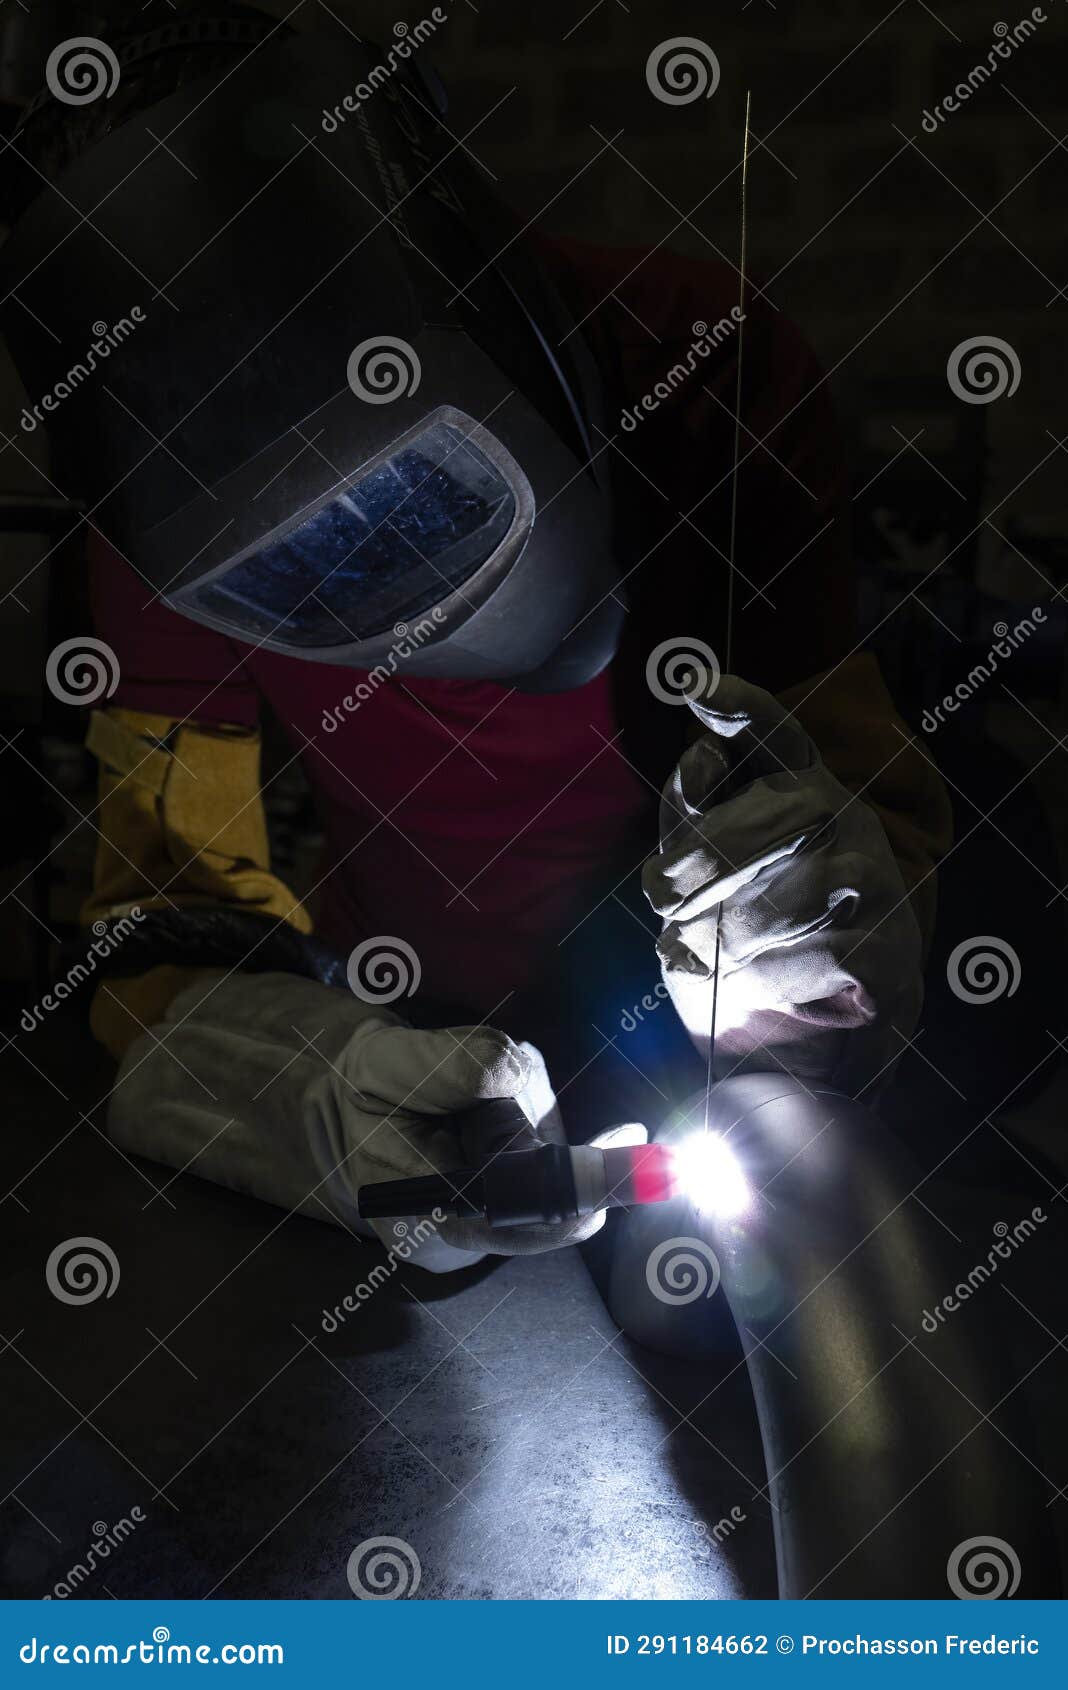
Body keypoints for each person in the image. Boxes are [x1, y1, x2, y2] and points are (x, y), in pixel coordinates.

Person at [3, 3, 949, 1270]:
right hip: (423, 1036)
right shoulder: (147, 507)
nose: (385, 589)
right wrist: (318, 1088)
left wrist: (809, 940)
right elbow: (163, 921)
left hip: (688, 1043)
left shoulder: (693, 360)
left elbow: (848, 798)